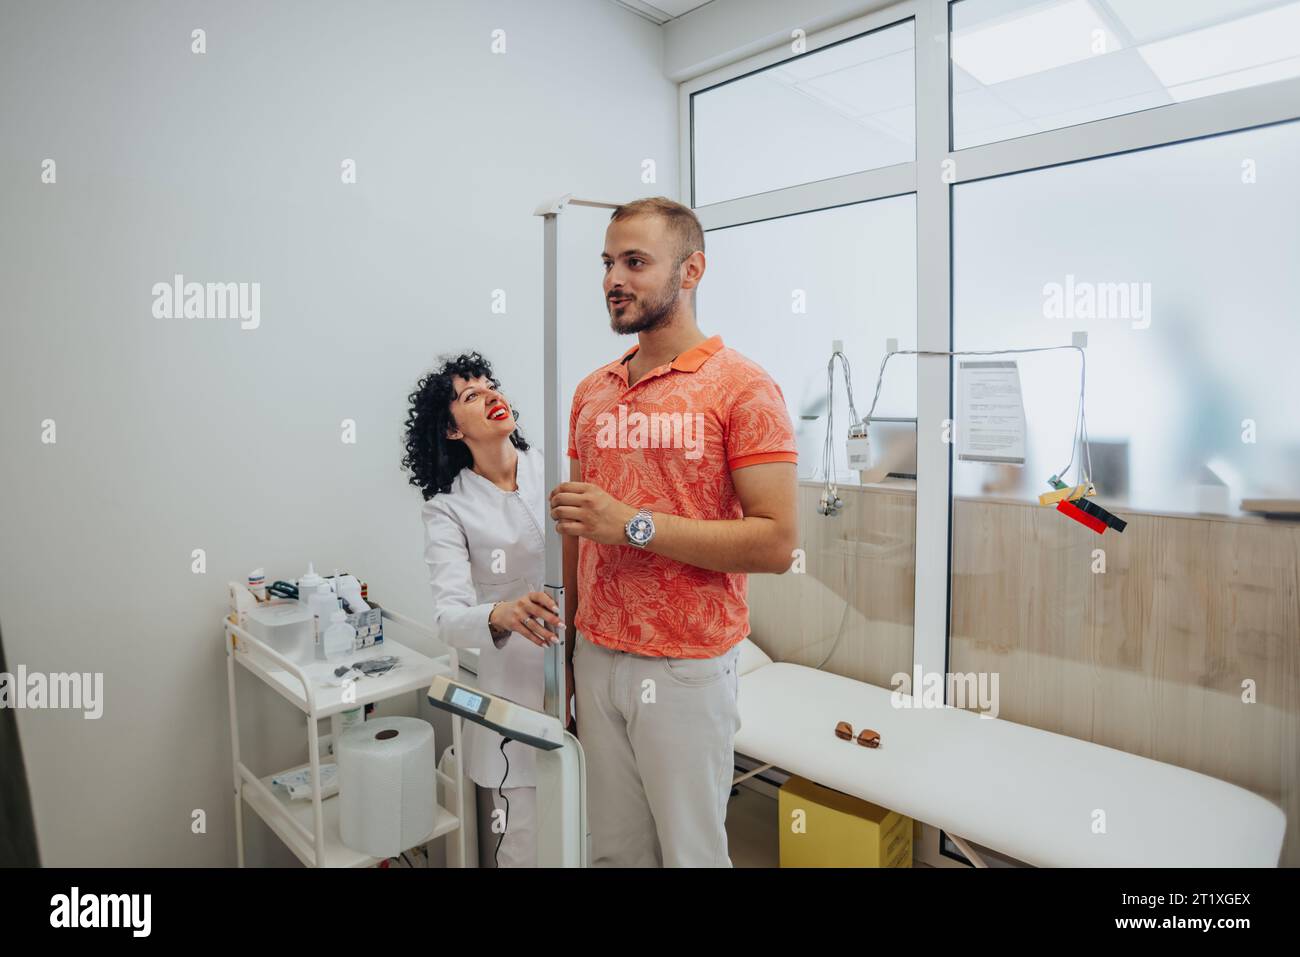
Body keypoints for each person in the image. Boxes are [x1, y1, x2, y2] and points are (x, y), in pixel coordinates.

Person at [550, 196, 799, 867]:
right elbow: (578, 532)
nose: (612, 279)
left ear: (691, 271)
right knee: (615, 853)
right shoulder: (592, 393)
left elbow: (776, 542)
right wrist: (569, 656)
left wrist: (629, 524)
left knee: (690, 854)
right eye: (607, 262)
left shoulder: (744, 389)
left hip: (686, 665)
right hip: (597, 656)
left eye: (635, 261)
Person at [403, 352, 562, 868]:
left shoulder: (555, 468)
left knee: (590, 826)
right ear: (452, 431)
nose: (493, 395)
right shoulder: (449, 508)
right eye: (472, 395)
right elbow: (449, 620)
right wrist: (502, 612)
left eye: (492, 386)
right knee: (524, 842)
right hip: (514, 689)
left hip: (587, 676)